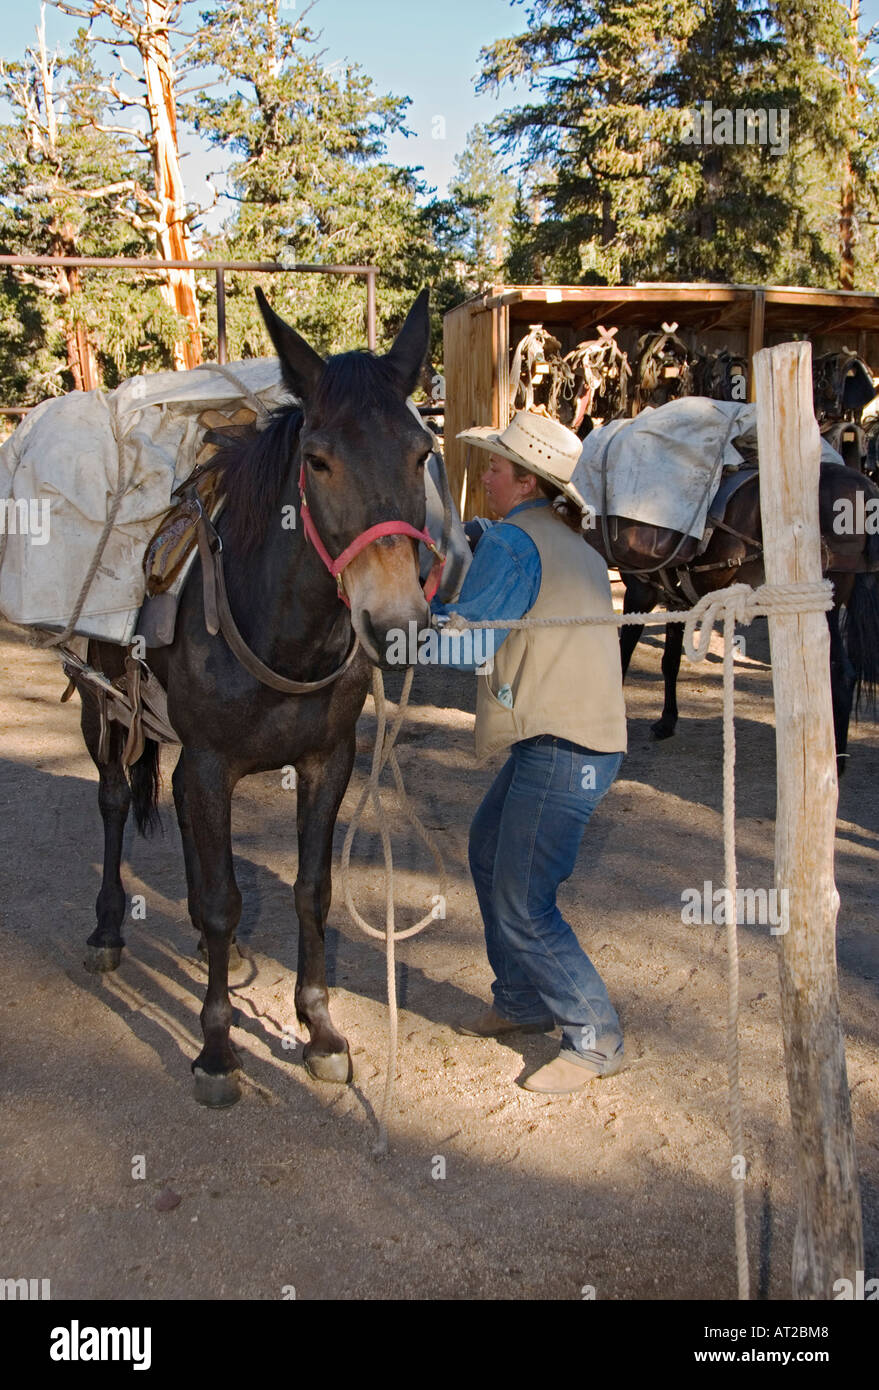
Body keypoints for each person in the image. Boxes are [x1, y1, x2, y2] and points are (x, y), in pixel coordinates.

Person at [430, 410, 628, 1094]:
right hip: (570, 739)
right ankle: (519, 1001)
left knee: (521, 900)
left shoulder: (513, 543)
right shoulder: (568, 541)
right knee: (488, 851)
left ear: (523, 480)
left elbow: (467, 645)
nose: (483, 475)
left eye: (493, 466)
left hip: (559, 743)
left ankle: (594, 1034)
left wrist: (393, 622)